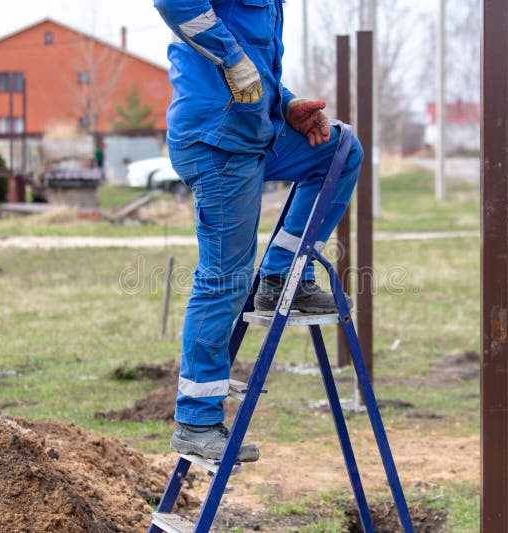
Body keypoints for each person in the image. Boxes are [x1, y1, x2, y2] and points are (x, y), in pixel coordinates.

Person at [153, 0, 363, 463]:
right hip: (217, 139)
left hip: (256, 129)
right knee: (225, 279)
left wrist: (285, 104)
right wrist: (230, 58)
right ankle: (196, 420)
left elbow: (255, 64)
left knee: (340, 151)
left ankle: (281, 277)